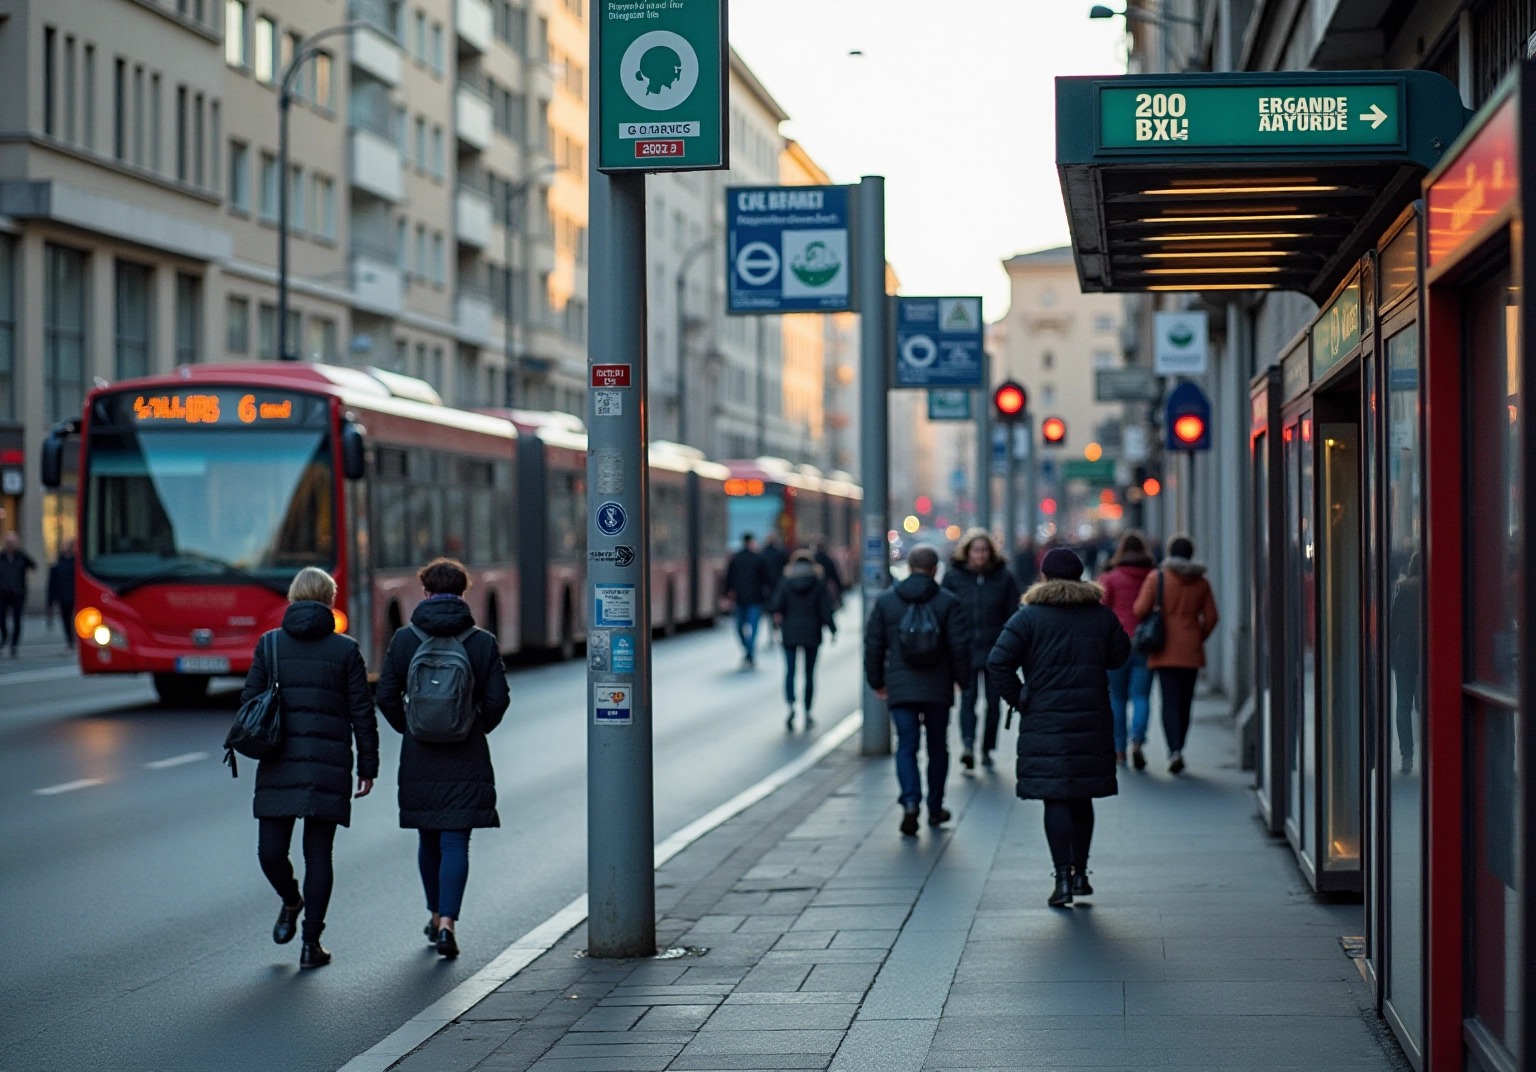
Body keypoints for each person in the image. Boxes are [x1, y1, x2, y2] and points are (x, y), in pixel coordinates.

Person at [241, 567, 378, 969]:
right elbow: (362, 715)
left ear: (293, 597)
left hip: (279, 760)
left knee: (272, 853)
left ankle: (309, 941)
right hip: (327, 765)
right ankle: (297, 910)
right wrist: (367, 765)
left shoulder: (270, 647)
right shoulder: (346, 650)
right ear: (329, 600)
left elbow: (249, 703)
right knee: (315, 855)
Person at [376, 558, 511, 960]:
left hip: (420, 754)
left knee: (428, 836)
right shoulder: (481, 641)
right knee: (456, 839)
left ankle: (434, 917)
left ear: (426, 592)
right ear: (463, 592)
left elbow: (385, 695)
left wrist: (412, 727)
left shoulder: (405, 639)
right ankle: (449, 923)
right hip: (465, 753)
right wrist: (474, 726)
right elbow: (498, 698)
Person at [988, 548, 1130, 908]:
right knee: (1082, 796)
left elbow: (998, 663)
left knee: (1056, 797)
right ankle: (1081, 874)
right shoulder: (1100, 616)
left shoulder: (1027, 618)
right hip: (1090, 717)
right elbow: (1119, 656)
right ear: (1081, 576)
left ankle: (1061, 879)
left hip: (1045, 720)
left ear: (1044, 576)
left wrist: (1020, 698)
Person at [863, 543, 971, 836]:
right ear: (935, 570)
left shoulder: (887, 602)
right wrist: (964, 680)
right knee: (938, 747)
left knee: (907, 746)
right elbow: (959, 646)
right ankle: (935, 808)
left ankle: (911, 801)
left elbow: (874, 645)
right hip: (938, 685)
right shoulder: (948, 602)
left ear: (909, 567)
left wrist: (877, 681)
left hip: (900, 685)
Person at [1133, 533, 1219, 775]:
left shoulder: (1157, 578)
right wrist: (1195, 635)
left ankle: (1174, 751)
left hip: (1165, 649)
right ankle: (1180, 746)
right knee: (1185, 702)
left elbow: (1139, 609)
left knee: (1169, 702)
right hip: (1190, 650)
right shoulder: (1201, 582)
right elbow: (1212, 617)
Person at [941, 529, 1021, 771]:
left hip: (996, 651)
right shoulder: (954, 578)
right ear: (967, 552)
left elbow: (1014, 614)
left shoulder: (1004, 578)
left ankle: (987, 748)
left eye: (985, 550)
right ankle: (967, 745)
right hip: (965, 650)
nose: (981, 555)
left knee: (994, 703)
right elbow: (946, 614)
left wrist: (1011, 648)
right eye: (976, 550)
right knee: (968, 699)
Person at [1098, 531, 1156, 768]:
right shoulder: (1153, 576)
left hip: (1117, 644)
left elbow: (1101, 610)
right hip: (1145, 642)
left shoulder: (1110, 578)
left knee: (1117, 697)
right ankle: (1138, 741)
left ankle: (1118, 749)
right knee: (1142, 696)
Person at [768, 550, 837, 730]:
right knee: (809, 674)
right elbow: (825, 609)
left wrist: (778, 622)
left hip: (790, 633)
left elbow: (775, 605)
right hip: (812, 633)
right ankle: (807, 711)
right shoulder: (818, 583)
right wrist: (833, 630)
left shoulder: (785, 582)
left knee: (790, 672)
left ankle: (791, 704)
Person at [723, 533, 770, 667]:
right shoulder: (759, 559)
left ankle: (748, 651)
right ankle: (750, 652)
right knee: (753, 628)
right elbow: (766, 580)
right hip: (755, 599)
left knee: (739, 628)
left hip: (740, 600)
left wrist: (726, 595)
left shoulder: (735, 559)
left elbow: (728, 579)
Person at [0, 531, 36, 657]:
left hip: (18, 593)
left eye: (13, 542)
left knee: (16, 619)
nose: (10, 545)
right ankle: (4, 636)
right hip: (3, 592)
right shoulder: (2, 557)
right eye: (9, 542)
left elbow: (33, 565)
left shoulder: (21, 556)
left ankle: (14, 644)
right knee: (1, 618)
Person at [47, 539, 77, 651]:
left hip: (74, 595)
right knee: (66, 619)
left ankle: (74, 639)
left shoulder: (75, 561)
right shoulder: (57, 563)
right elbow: (52, 582)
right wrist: (50, 600)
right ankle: (70, 640)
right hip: (62, 596)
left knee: (75, 618)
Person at [811, 541, 845, 608]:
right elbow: (834, 574)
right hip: (826, 587)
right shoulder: (828, 559)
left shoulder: (812, 560)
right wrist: (840, 589)